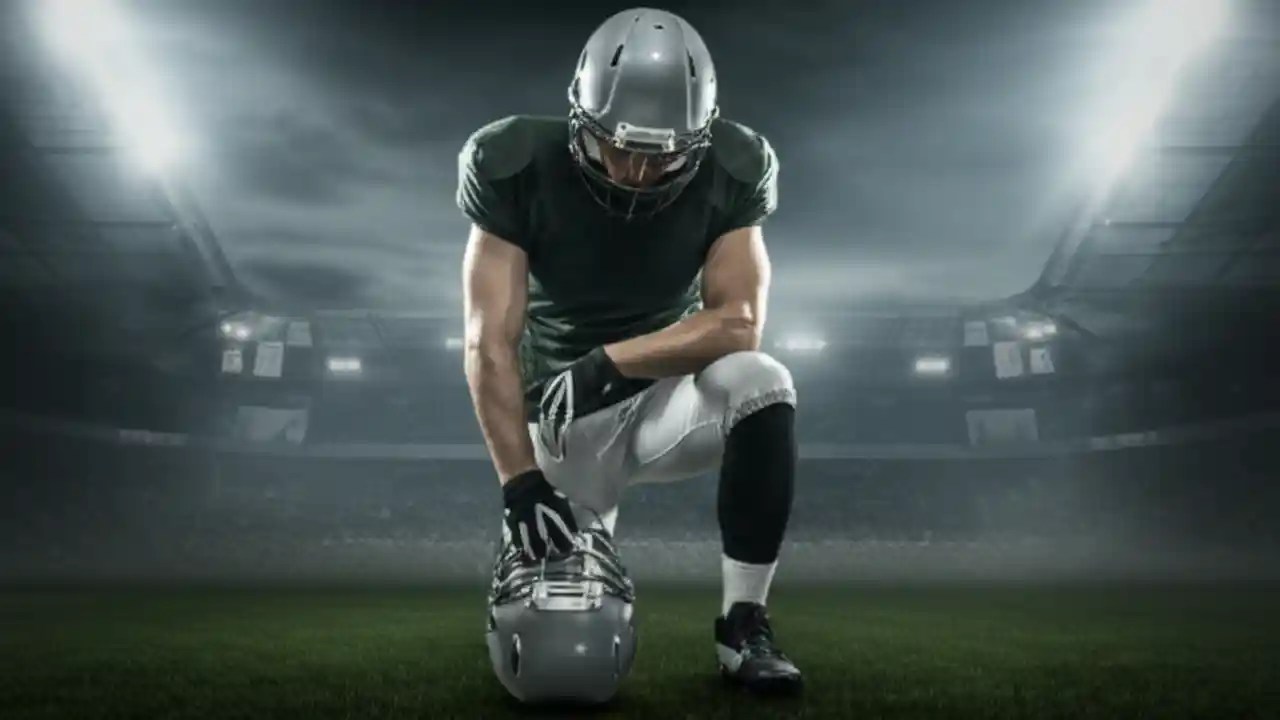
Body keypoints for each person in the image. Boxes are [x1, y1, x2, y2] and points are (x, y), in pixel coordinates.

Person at [459, 7, 802, 697]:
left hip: (662, 400)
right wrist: (520, 484)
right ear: (579, 118)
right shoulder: (515, 163)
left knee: (762, 380)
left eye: (663, 154)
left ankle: (743, 625)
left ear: (701, 141)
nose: (635, 171)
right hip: (562, 421)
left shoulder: (735, 167)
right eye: (617, 146)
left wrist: (609, 362)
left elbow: (738, 323)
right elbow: (488, 340)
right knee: (562, 664)